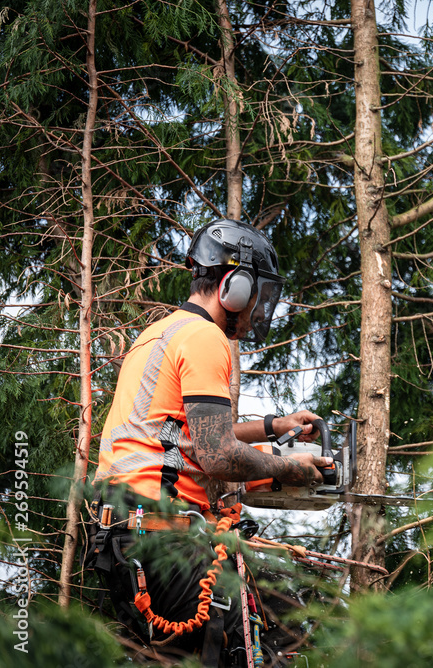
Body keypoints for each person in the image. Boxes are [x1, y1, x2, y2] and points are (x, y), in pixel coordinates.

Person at [85, 218, 331, 666]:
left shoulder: (159, 334)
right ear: (233, 286)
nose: (258, 308)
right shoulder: (204, 337)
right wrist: (286, 468)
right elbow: (217, 454)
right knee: (291, 624)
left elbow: (187, 436)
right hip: (161, 543)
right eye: (257, 294)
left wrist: (274, 428)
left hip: (124, 542)